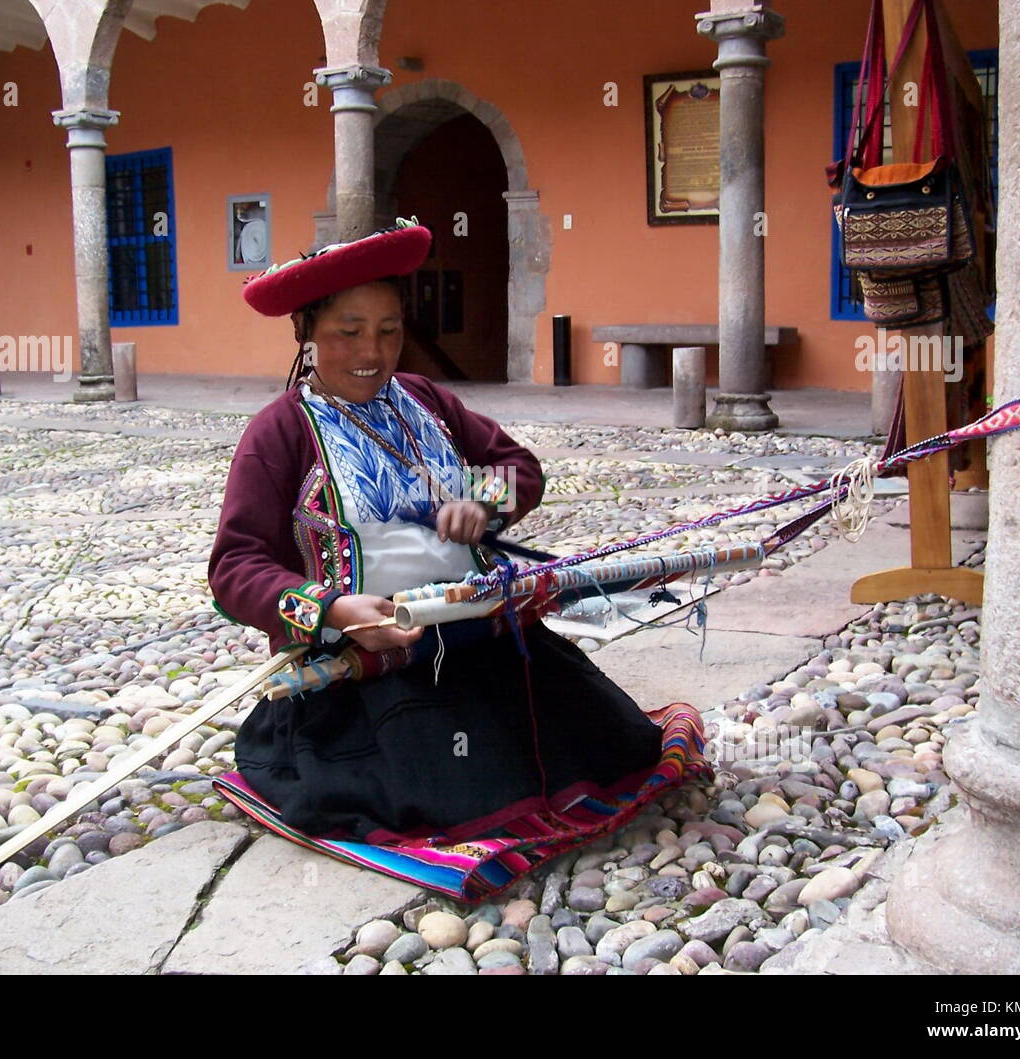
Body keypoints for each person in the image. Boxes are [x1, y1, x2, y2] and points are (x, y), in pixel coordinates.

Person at [207, 219, 678, 853]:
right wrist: (335, 610)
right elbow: (236, 565)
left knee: (604, 744)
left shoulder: (426, 400)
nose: (371, 351)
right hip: (368, 663)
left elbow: (521, 470)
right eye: (348, 332)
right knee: (447, 781)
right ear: (306, 334)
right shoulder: (280, 431)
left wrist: (481, 504)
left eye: (389, 330)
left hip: (477, 631)